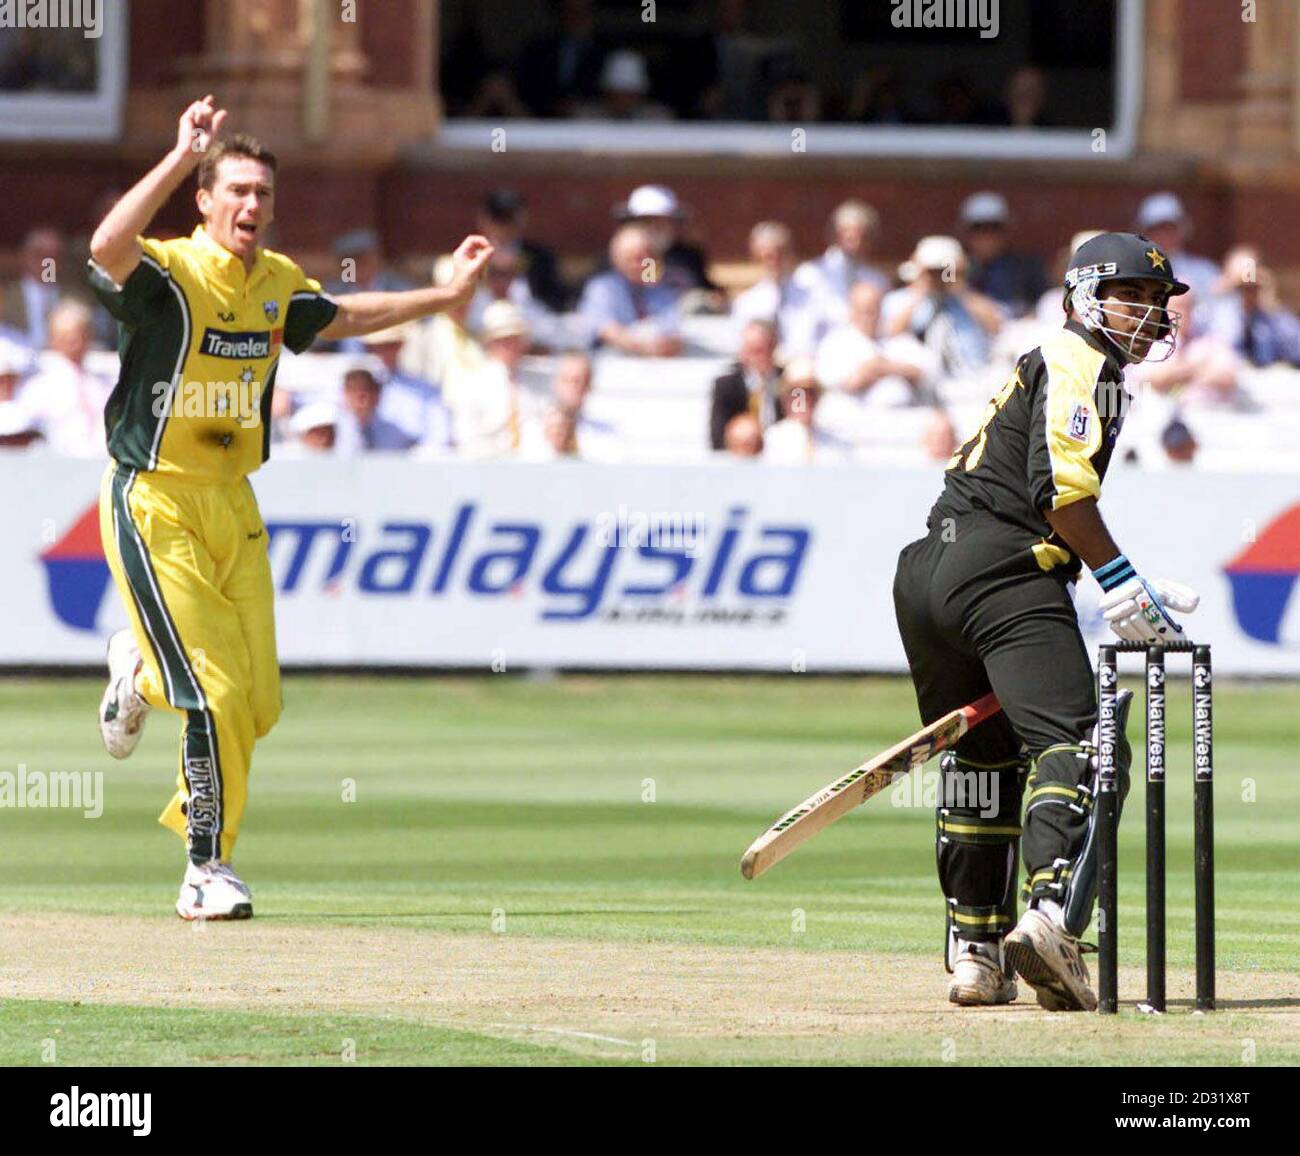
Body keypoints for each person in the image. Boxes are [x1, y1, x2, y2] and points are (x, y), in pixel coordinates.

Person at [86, 95, 492, 921]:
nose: (250, 206)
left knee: (258, 702)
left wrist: (443, 298)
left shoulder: (274, 284)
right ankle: (205, 868)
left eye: (262, 194)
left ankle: (137, 671)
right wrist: (178, 153)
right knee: (213, 693)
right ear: (204, 200)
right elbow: (104, 246)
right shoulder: (170, 273)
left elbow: (343, 318)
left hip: (233, 504)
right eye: (234, 190)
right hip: (155, 497)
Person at [892, 232, 1199, 1011]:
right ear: (1085, 296)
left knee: (983, 763)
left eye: (1158, 301)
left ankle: (976, 951)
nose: (1151, 314)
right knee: (1084, 744)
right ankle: (1053, 916)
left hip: (929, 573)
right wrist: (1121, 581)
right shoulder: (1077, 359)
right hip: (1003, 572)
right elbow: (1060, 494)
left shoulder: (1063, 365)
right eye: (1134, 296)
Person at [882, 235, 1003, 379]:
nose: (939, 275)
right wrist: (923, 285)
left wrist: (957, 285)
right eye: (932, 270)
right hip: (924, 381)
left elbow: (996, 327)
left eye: (945, 269)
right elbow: (892, 334)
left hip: (971, 375)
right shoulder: (899, 300)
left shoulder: (969, 300)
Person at [19, 299, 112, 456]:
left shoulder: (106, 383)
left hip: (102, 464)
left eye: (80, 334)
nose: (73, 342)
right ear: (53, 339)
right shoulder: (38, 388)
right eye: (66, 336)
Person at [578, 224, 683, 356]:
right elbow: (604, 329)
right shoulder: (602, 288)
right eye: (637, 258)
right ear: (618, 260)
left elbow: (674, 333)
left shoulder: (662, 292)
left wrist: (666, 344)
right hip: (612, 363)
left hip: (658, 366)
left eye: (649, 256)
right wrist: (642, 346)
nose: (644, 263)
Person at [731, 221, 823, 359]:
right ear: (756, 258)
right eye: (768, 256)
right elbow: (740, 346)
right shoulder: (746, 303)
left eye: (780, 254)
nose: (775, 262)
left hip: (803, 369)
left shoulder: (813, 298)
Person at [794, 200, 889, 326]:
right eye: (848, 235)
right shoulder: (809, 273)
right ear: (836, 234)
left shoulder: (877, 279)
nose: (855, 242)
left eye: (862, 236)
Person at [958, 192, 1048, 319]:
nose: (986, 236)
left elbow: (1043, 304)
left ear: (1006, 231)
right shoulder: (954, 265)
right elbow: (942, 286)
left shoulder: (1026, 268)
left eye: (994, 228)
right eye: (978, 228)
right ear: (965, 232)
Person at [709, 319, 781, 450]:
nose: (759, 356)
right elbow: (717, 436)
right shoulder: (726, 386)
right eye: (753, 350)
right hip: (741, 456)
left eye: (765, 349)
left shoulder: (789, 382)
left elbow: (801, 415)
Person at [334, 362, 418, 454]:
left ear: (378, 394)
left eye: (367, 388)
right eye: (353, 389)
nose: (360, 395)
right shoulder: (329, 431)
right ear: (344, 394)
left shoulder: (397, 434)